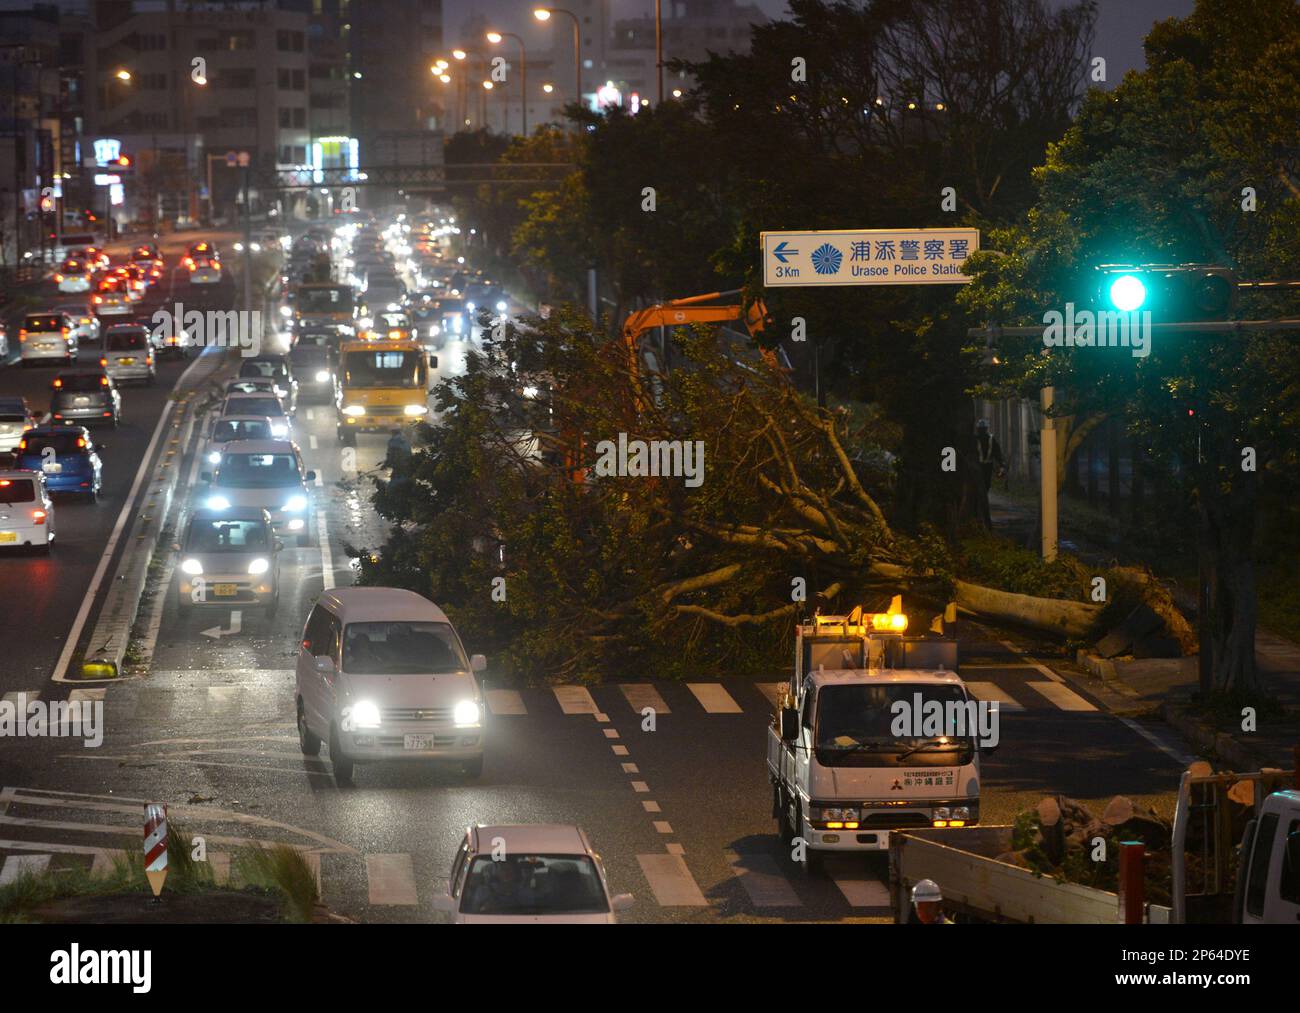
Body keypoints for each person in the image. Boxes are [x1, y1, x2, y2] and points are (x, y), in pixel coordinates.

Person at [975, 419, 1005, 492]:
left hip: (981, 465)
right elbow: (997, 452)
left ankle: (982, 498)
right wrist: (1001, 464)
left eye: (982, 429)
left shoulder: (975, 438)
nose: (981, 431)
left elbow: (997, 452)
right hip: (984, 465)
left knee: (983, 482)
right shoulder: (990, 438)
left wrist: (1001, 464)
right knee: (984, 482)